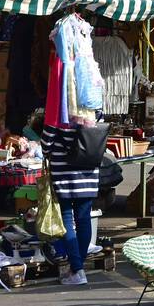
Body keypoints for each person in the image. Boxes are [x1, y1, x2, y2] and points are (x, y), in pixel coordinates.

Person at [41, 109, 103, 287]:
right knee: (83, 219)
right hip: (88, 171)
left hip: (64, 173)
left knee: (67, 219)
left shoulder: (60, 108)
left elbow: (46, 143)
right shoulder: (93, 107)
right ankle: (78, 268)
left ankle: (77, 269)